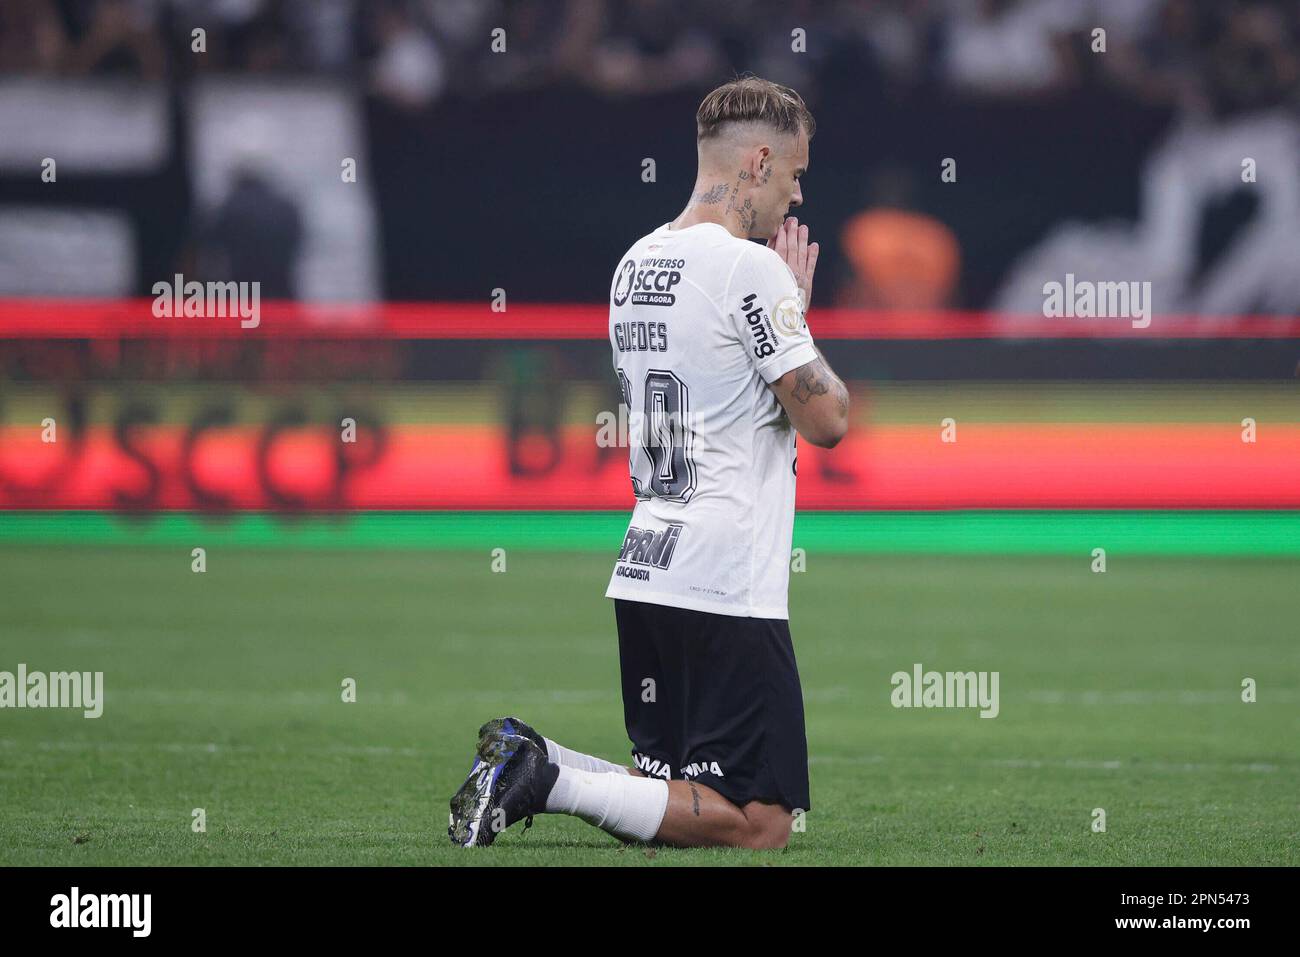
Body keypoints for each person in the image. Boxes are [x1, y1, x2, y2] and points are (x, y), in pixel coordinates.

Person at [449, 75, 849, 850]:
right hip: (726, 581)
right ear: (759, 162)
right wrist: (794, 313)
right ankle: (554, 781)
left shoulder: (635, 264)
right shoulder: (750, 270)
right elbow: (828, 418)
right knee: (762, 822)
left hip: (647, 565)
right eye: (796, 174)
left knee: (680, 791)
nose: (796, 198)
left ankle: (536, 757)